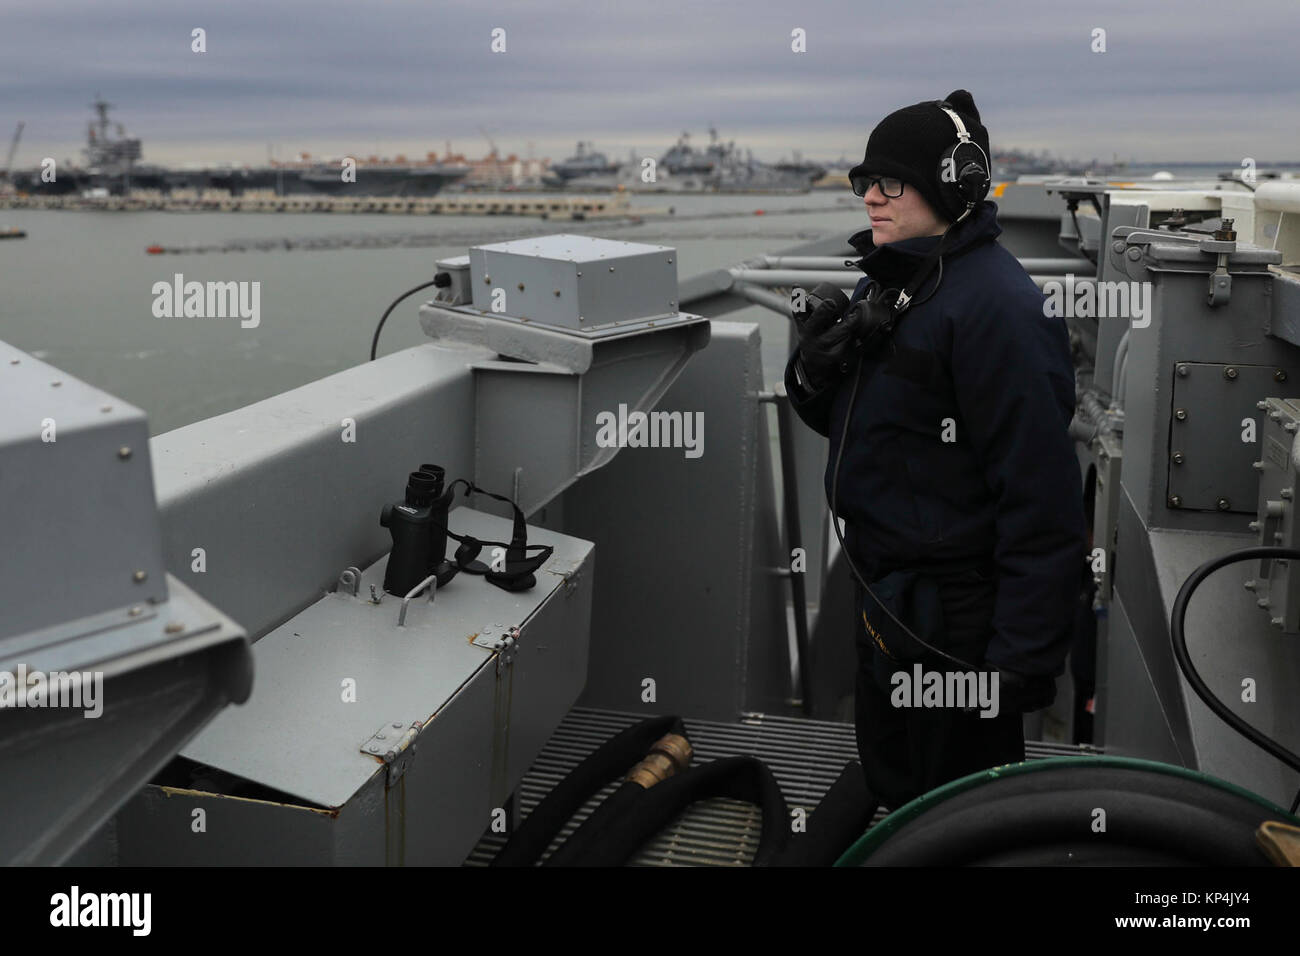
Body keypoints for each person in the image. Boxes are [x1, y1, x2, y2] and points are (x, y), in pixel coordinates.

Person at [783, 90, 1086, 811]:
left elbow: (1041, 498)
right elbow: (868, 428)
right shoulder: (897, 283)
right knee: (896, 781)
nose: (870, 199)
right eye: (864, 182)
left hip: (957, 619)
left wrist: (1021, 658)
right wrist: (811, 371)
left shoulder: (998, 310)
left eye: (892, 181)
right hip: (886, 597)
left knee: (955, 809)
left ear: (952, 184)